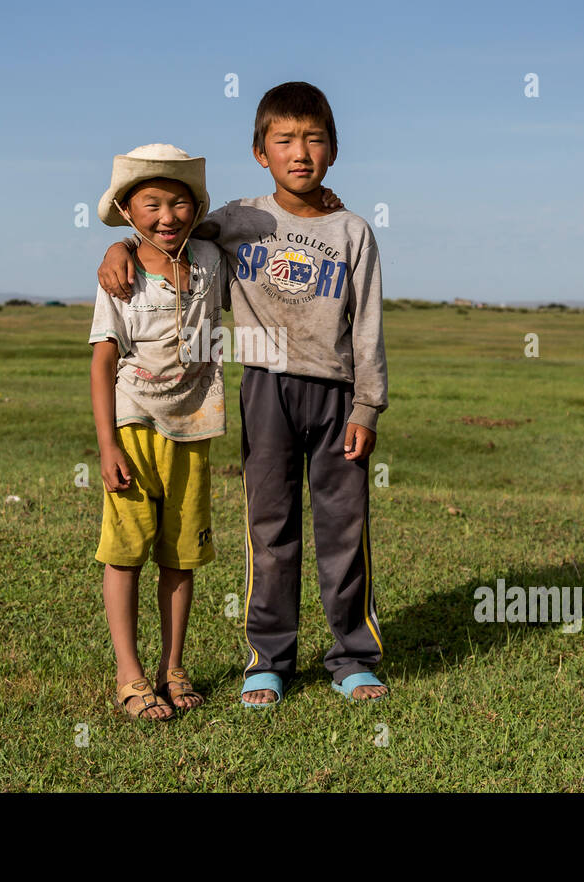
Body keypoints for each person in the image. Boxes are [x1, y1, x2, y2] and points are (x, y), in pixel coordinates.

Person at [97, 83, 389, 706]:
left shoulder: (353, 231)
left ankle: (353, 655)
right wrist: (118, 245)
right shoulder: (237, 218)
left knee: (344, 527)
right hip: (264, 390)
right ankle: (271, 658)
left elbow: (366, 326)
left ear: (334, 151)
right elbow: (163, 234)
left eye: (314, 139)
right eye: (284, 140)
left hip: (337, 396)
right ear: (260, 152)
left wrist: (368, 405)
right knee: (270, 527)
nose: (300, 152)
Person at [89, 144, 230, 720]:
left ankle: (173, 667)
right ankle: (129, 672)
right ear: (126, 208)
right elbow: (102, 362)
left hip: (193, 427)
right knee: (125, 553)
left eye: (180, 203)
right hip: (134, 425)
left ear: (196, 209)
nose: (167, 217)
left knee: (180, 556)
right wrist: (106, 444)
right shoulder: (119, 279)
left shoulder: (212, 261)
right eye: (151, 204)